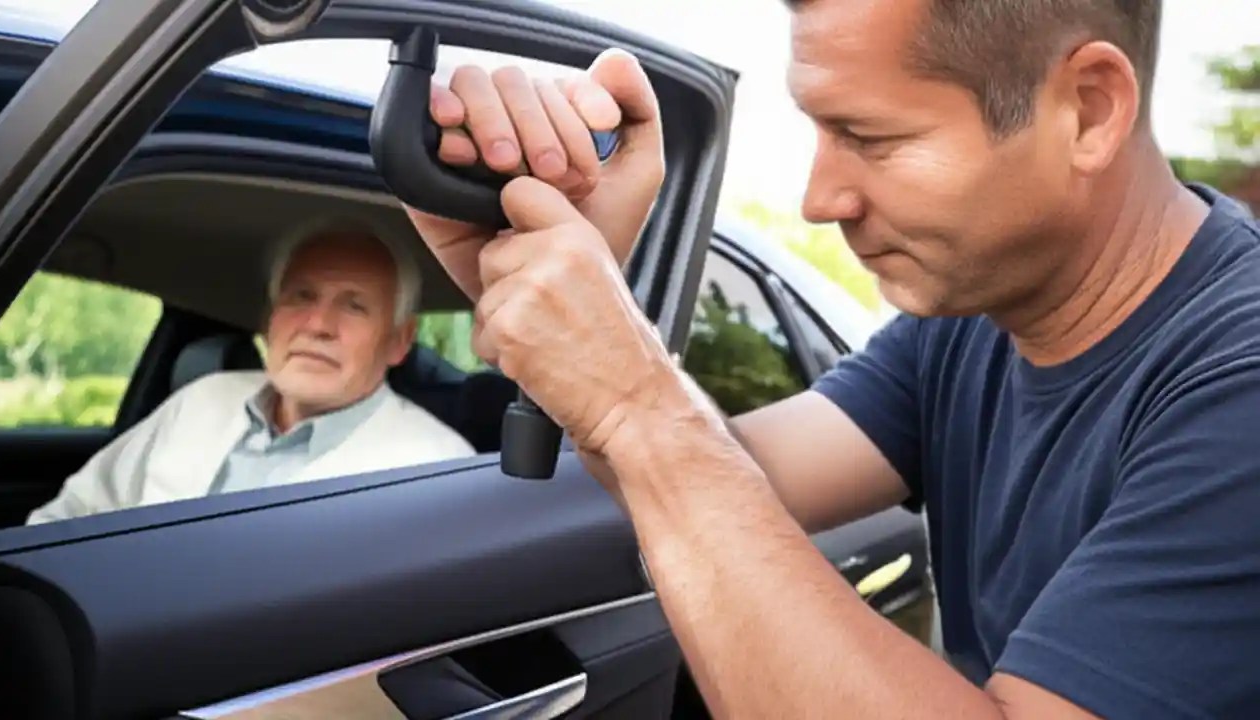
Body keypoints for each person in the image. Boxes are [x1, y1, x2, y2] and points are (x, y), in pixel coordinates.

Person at [408, 1, 1260, 718]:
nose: (820, 200)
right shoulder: (970, 322)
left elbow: (681, 463)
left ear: (1090, 108)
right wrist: (583, 305)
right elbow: (730, 482)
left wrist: (636, 399)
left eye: (871, 137)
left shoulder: (1238, 386)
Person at [27, 217, 475, 524]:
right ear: (269, 320)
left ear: (397, 340)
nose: (318, 325)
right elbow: (72, 517)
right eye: (301, 296)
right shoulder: (204, 399)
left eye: (353, 306)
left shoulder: (435, 467)